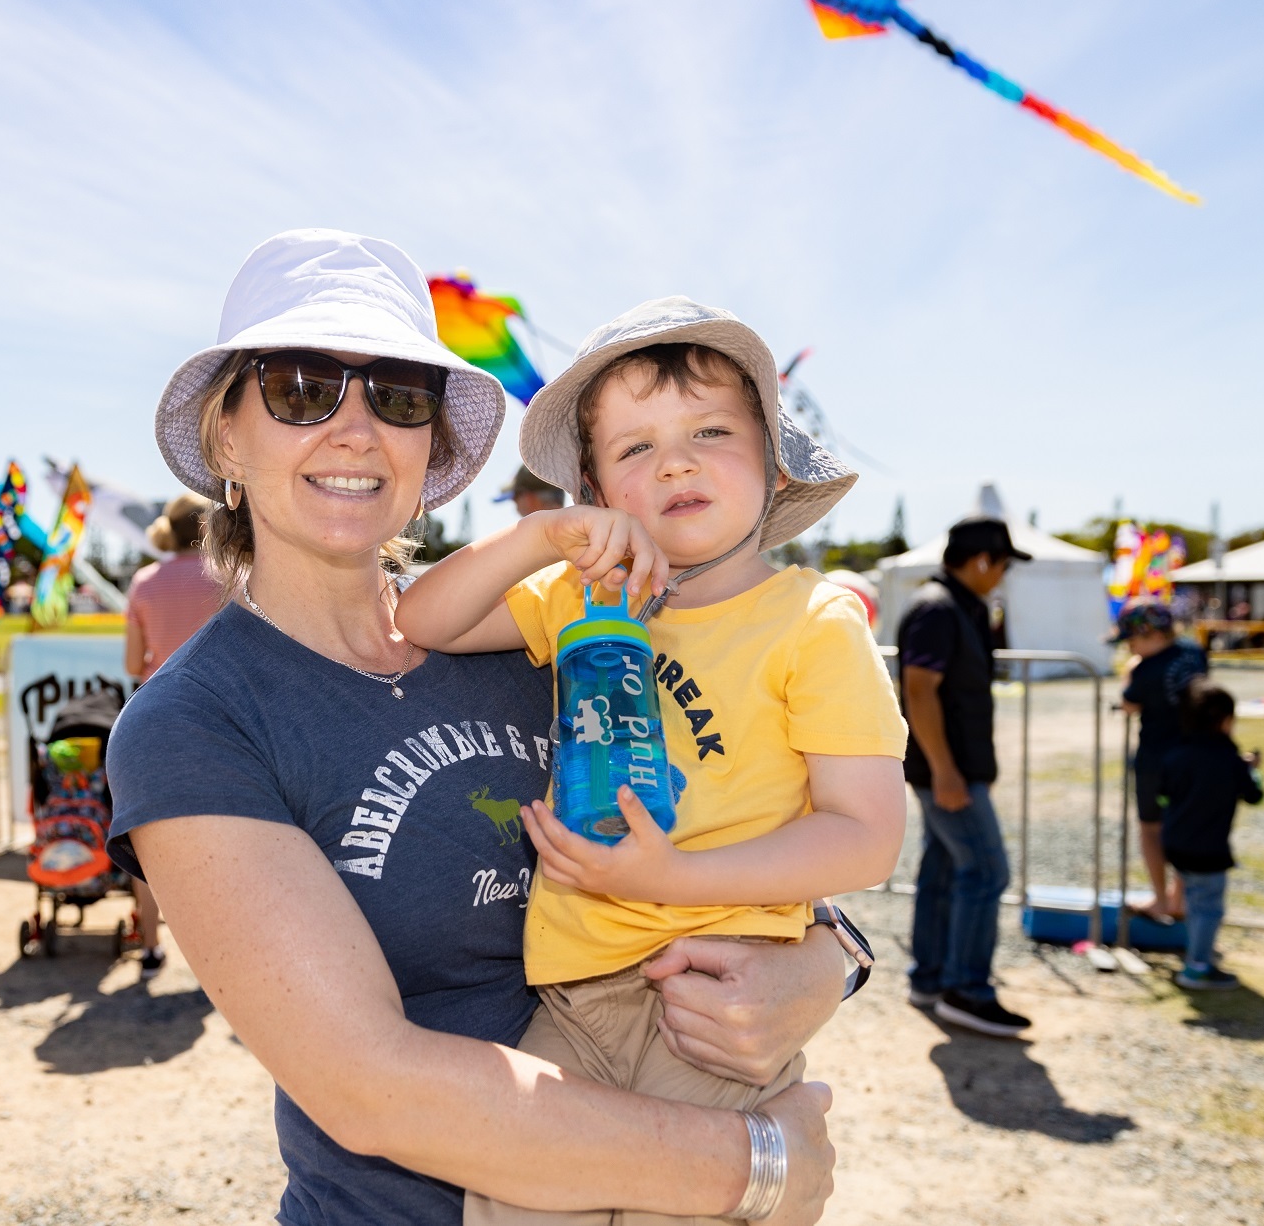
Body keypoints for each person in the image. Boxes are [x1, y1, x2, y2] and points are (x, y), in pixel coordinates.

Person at [105, 230, 848, 1226]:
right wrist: (749, 1164)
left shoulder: (538, 631)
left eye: (398, 397)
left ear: (430, 446)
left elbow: (744, 805)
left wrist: (826, 960)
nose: (355, 429)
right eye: (299, 388)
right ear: (228, 438)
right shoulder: (197, 721)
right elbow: (370, 1086)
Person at [396, 300, 908, 1226]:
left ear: (774, 460)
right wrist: (537, 538)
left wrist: (677, 876)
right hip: (570, 1001)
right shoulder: (576, 593)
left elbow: (866, 838)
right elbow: (420, 621)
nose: (674, 461)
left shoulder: (814, 621)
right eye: (634, 449)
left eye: (710, 432)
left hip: (718, 998)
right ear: (593, 487)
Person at [899, 516, 1033, 1037]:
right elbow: (920, 690)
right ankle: (966, 989)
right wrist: (947, 771)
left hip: (947, 766)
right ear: (981, 561)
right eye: (1001, 565)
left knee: (945, 870)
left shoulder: (953, 605)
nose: (1002, 576)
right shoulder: (940, 608)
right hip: (946, 770)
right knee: (985, 872)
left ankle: (932, 978)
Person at [120, 490, 225, 977]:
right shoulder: (228, 578)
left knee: (150, 842)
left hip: (157, 720)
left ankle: (150, 947)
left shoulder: (144, 582)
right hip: (221, 720)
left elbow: (131, 663)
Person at [1159, 679, 1264, 992]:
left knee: (1195, 901)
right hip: (1209, 850)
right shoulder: (1230, 761)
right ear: (1226, 721)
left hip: (1176, 844)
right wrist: (1250, 770)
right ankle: (1197, 967)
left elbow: (1163, 794)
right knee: (1208, 908)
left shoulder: (1175, 754)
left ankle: (1195, 956)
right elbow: (1254, 795)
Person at [1116, 600, 1210, 921]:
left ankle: (1160, 898)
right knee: (1184, 826)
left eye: (1132, 640)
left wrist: (1129, 672)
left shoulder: (1145, 669)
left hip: (1156, 758)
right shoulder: (1194, 652)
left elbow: (1128, 704)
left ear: (1152, 635)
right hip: (1194, 755)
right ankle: (1178, 897)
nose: (1130, 647)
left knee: (1150, 828)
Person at [495, 464, 567, 517]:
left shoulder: (532, 535)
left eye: (515, 500)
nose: (517, 510)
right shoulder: (575, 530)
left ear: (529, 498)